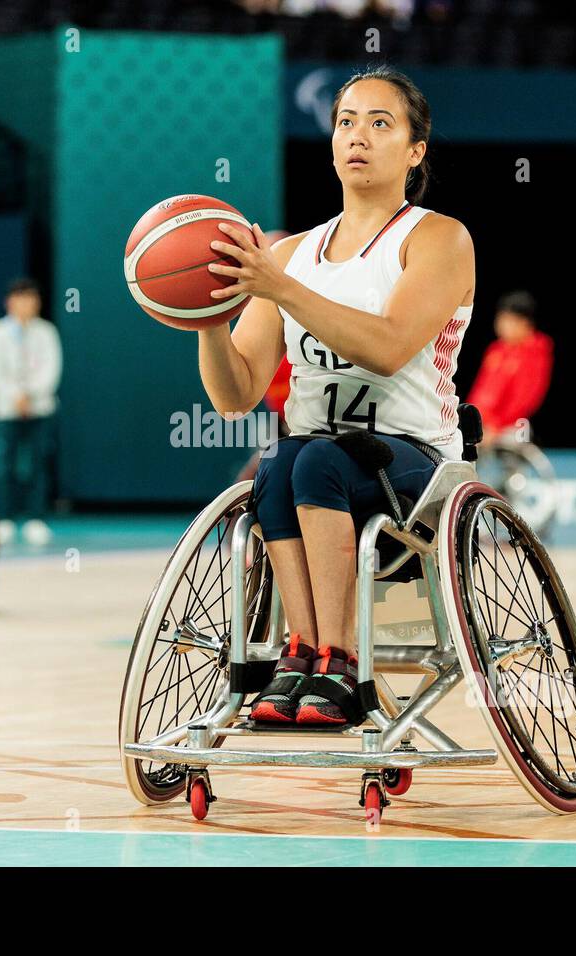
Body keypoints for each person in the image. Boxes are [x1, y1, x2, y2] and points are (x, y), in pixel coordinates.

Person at [197, 66, 474, 726]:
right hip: (311, 467)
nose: (358, 136)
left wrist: (278, 287)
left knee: (315, 458)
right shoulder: (292, 255)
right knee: (279, 462)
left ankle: (340, 660)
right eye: (347, 121)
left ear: (415, 150)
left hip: (416, 470)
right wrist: (206, 319)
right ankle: (303, 655)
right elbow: (235, 395)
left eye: (381, 124)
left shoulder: (438, 238)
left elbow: (385, 346)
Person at [0, 277, 62, 546]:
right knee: (3, 464)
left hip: (41, 409)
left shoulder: (47, 332)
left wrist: (32, 394)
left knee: (38, 463)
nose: (26, 304)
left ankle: (35, 518)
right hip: (6, 410)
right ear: (9, 303)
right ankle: (3, 518)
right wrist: (14, 396)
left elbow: (51, 369)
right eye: (20, 298)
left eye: (31, 298)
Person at [464, 290, 553, 441]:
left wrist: (497, 426)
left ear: (525, 323)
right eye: (501, 319)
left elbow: (525, 399)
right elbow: (481, 389)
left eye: (508, 320)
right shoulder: (496, 349)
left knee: (513, 438)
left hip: (513, 425)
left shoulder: (536, 350)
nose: (501, 325)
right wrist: (474, 421)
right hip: (486, 423)